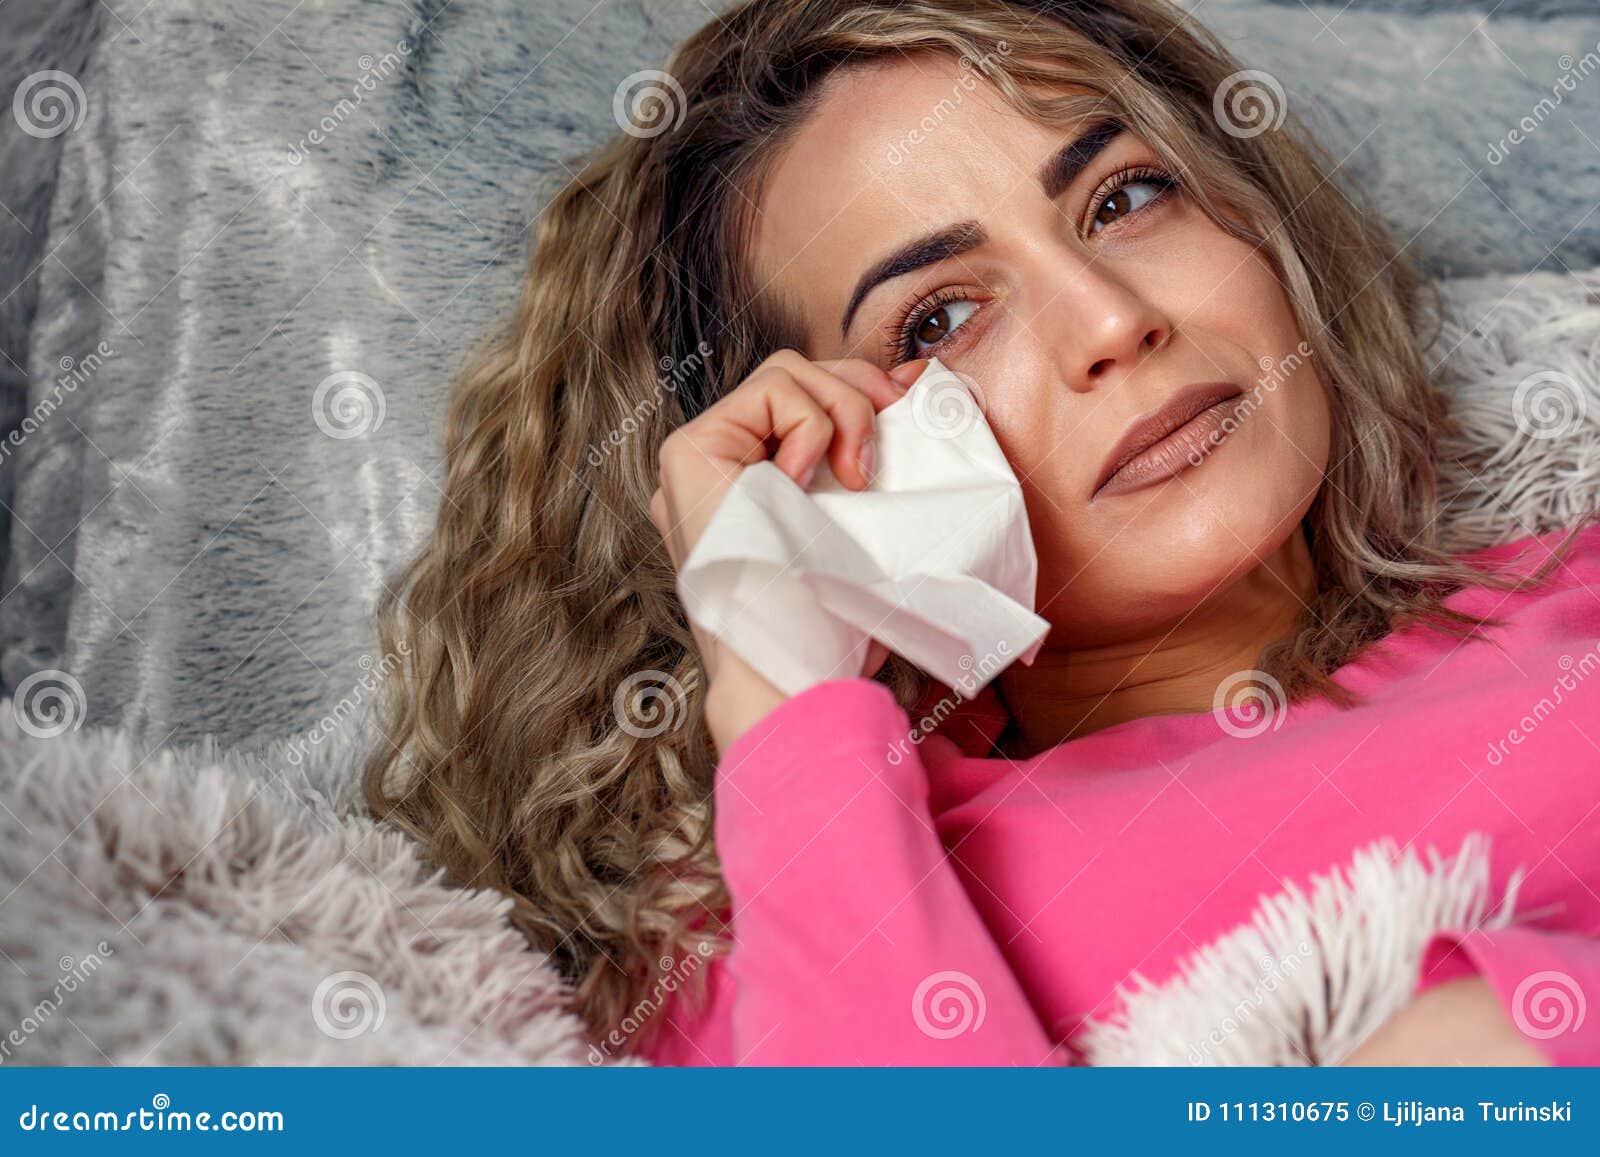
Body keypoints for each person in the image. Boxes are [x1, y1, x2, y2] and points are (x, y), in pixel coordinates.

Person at [362, 0, 1600, 1066]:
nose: (1109, 321)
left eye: (1125, 197)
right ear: (811, 464)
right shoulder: (798, 885)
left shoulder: (1567, 593)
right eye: (938, 320)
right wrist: (778, 686)